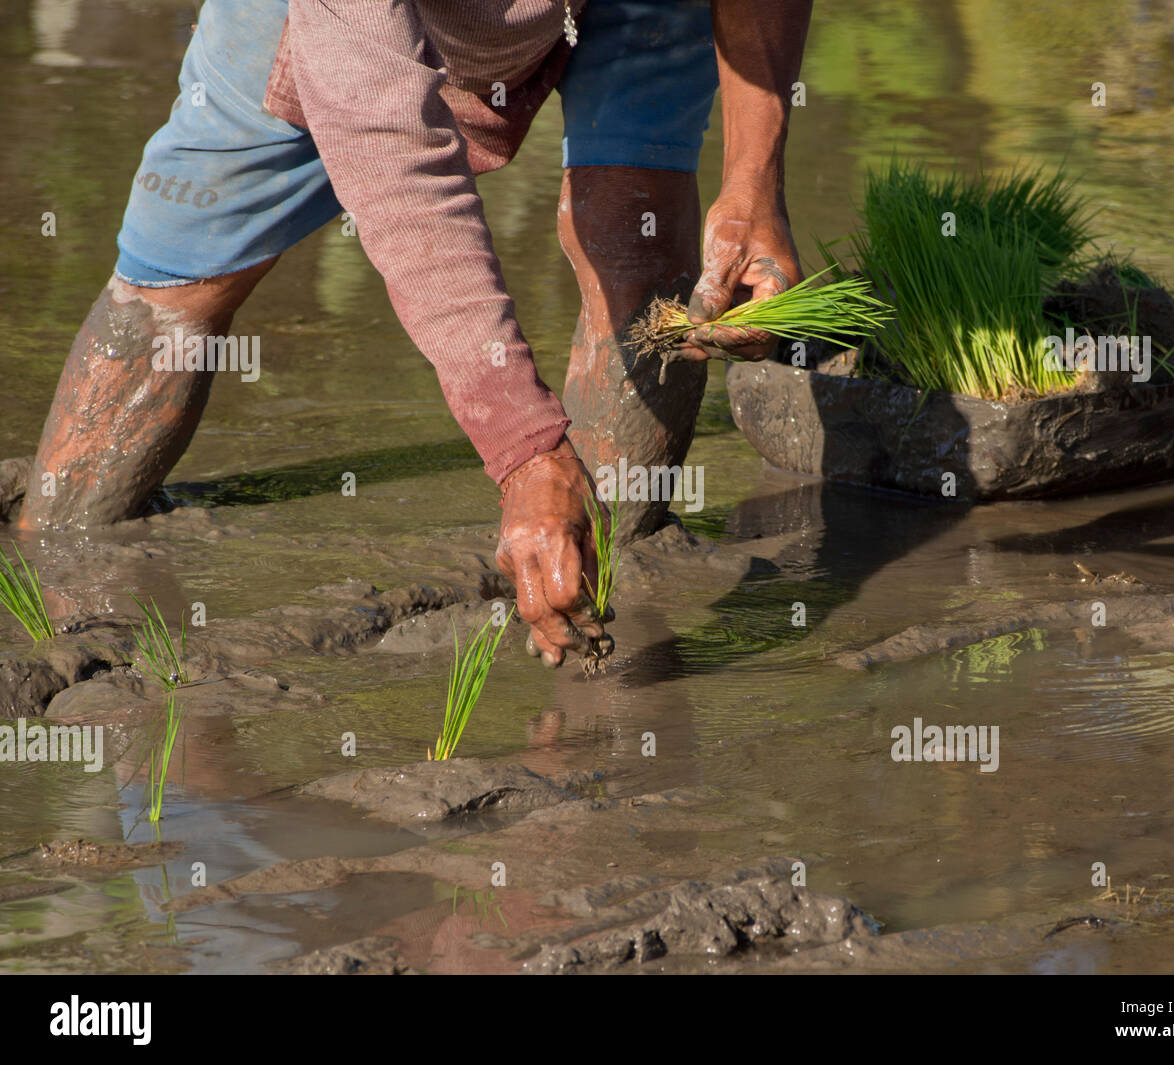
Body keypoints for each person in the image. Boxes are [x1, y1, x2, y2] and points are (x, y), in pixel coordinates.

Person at [18, 0, 812, 669]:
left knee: (640, 251)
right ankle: (60, 579)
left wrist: (753, 182)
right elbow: (401, 177)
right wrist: (528, 451)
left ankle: (601, 599)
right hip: (327, 22)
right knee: (183, 278)